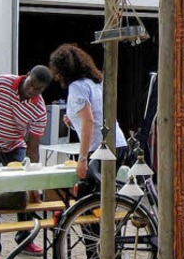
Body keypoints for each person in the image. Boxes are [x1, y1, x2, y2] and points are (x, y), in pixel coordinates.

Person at [0, 65, 51, 259]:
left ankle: (25, 239)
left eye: (38, 89)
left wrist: (34, 182)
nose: (31, 90)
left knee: (22, 192)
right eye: (31, 84)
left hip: (14, 146)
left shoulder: (39, 110)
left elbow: (32, 148)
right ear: (27, 75)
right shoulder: (2, 83)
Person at [48, 44, 128, 185]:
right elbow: (96, 116)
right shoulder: (95, 83)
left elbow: (88, 121)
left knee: (90, 195)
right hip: (118, 142)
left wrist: (82, 158)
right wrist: (74, 122)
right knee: (106, 192)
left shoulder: (77, 87)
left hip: (100, 148)